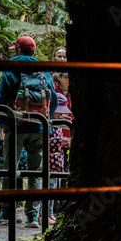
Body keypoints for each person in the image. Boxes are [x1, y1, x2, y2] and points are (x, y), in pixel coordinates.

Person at [0, 35, 58, 228]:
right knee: (36, 172)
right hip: (39, 127)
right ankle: (32, 216)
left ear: (18, 50)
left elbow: (0, 99)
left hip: (15, 127)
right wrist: (45, 120)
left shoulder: (12, 68)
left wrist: (2, 125)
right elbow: (53, 99)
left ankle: (7, 212)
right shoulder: (43, 69)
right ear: (34, 51)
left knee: (10, 169)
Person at [48, 46, 73, 220]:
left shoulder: (73, 91)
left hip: (69, 133)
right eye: (59, 55)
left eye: (65, 56)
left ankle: (63, 203)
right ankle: (54, 207)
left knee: (67, 168)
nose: (62, 58)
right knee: (57, 168)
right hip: (57, 134)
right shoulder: (53, 87)